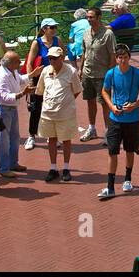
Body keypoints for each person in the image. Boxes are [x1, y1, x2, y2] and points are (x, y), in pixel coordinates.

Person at [98, 44, 139, 199]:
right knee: (112, 151)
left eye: (125, 58)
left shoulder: (137, 73)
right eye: (120, 58)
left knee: (130, 149)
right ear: (116, 59)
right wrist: (111, 106)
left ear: (129, 58)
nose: (123, 61)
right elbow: (104, 91)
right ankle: (110, 186)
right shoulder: (111, 74)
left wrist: (135, 104)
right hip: (115, 119)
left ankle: (128, 179)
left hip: (132, 119)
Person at [37, 45, 80, 183]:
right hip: (48, 114)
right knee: (52, 140)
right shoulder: (45, 71)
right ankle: (53, 168)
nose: (52, 61)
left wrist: (66, 102)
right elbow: (40, 90)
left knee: (66, 140)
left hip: (65, 114)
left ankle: (66, 168)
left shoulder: (71, 71)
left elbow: (77, 90)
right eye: (50, 58)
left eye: (55, 58)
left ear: (61, 58)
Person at [77, 7, 115, 143]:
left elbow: (112, 55)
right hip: (88, 73)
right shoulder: (86, 33)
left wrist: (110, 74)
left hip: (102, 75)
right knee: (90, 102)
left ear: (99, 18)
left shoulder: (108, 34)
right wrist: (80, 69)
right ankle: (92, 129)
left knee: (105, 104)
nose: (88, 19)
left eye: (91, 17)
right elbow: (84, 52)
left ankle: (107, 132)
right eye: (87, 17)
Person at [25, 18, 62, 150]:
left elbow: (62, 57)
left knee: (52, 107)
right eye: (51, 27)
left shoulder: (58, 41)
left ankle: (51, 135)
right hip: (40, 79)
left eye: (55, 27)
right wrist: (30, 80)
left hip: (55, 79)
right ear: (44, 29)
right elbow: (29, 62)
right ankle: (32, 135)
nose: (54, 30)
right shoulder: (37, 43)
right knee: (36, 108)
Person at [0, 51, 30, 178]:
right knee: (3, 139)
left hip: (12, 108)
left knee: (14, 137)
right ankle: (3, 168)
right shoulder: (2, 75)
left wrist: (32, 74)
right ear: (10, 63)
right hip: (3, 109)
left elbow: (20, 80)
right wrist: (22, 94)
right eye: (17, 61)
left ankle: (13, 163)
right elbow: (5, 96)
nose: (20, 63)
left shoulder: (12, 71)